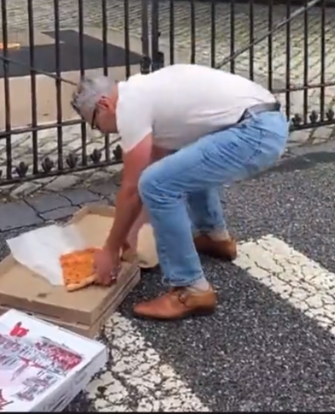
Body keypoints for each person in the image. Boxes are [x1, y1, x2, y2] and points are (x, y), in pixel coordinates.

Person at [71, 65, 288, 320]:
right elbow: (157, 171)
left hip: (255, 132)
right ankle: (215, 238)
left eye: (96, 125)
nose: (103, 132)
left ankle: (191, 289)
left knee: (155, 183)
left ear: (105, 105)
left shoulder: (130, 105)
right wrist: (130, 233)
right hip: (263, 122)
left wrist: (110, 249)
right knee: (173, 168)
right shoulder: (145, 91)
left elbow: (135, 188)